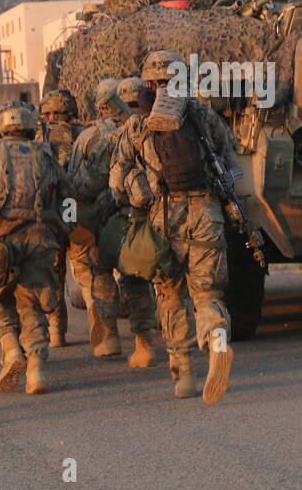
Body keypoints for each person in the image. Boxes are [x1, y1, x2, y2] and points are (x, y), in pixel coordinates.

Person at [109, 51, 238, 403]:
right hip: (206, 214)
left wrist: (136, 195)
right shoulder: (202, 114)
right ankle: (217, 339)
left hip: (163, 221)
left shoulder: (136, 125)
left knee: (169, 294)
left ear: (149, 84)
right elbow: (230, 162)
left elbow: (117, 181)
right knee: (207, 292)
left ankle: (184, 372)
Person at [0, 103, 71, 394]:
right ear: (29, 127)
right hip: (40, 238)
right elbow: (69, 196)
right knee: (32, 305)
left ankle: (11, 349)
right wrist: (65, 231)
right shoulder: (46, 155)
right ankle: (36, 368)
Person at [67, 77, 157, 365]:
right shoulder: (154, 129)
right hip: (143, 217)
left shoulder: (92, 136)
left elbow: (80, 186)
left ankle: (109, 339)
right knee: (137, 279)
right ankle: (144, 343)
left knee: (101, 274)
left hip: (106, 221)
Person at [39, 89, 83, 348]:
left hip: (54, 216)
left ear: (47, 113)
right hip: (82, 213)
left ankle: (57, 332)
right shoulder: (87, 133)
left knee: (54, 273)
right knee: (90, 271)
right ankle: (106, 331)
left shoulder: (40, 139)